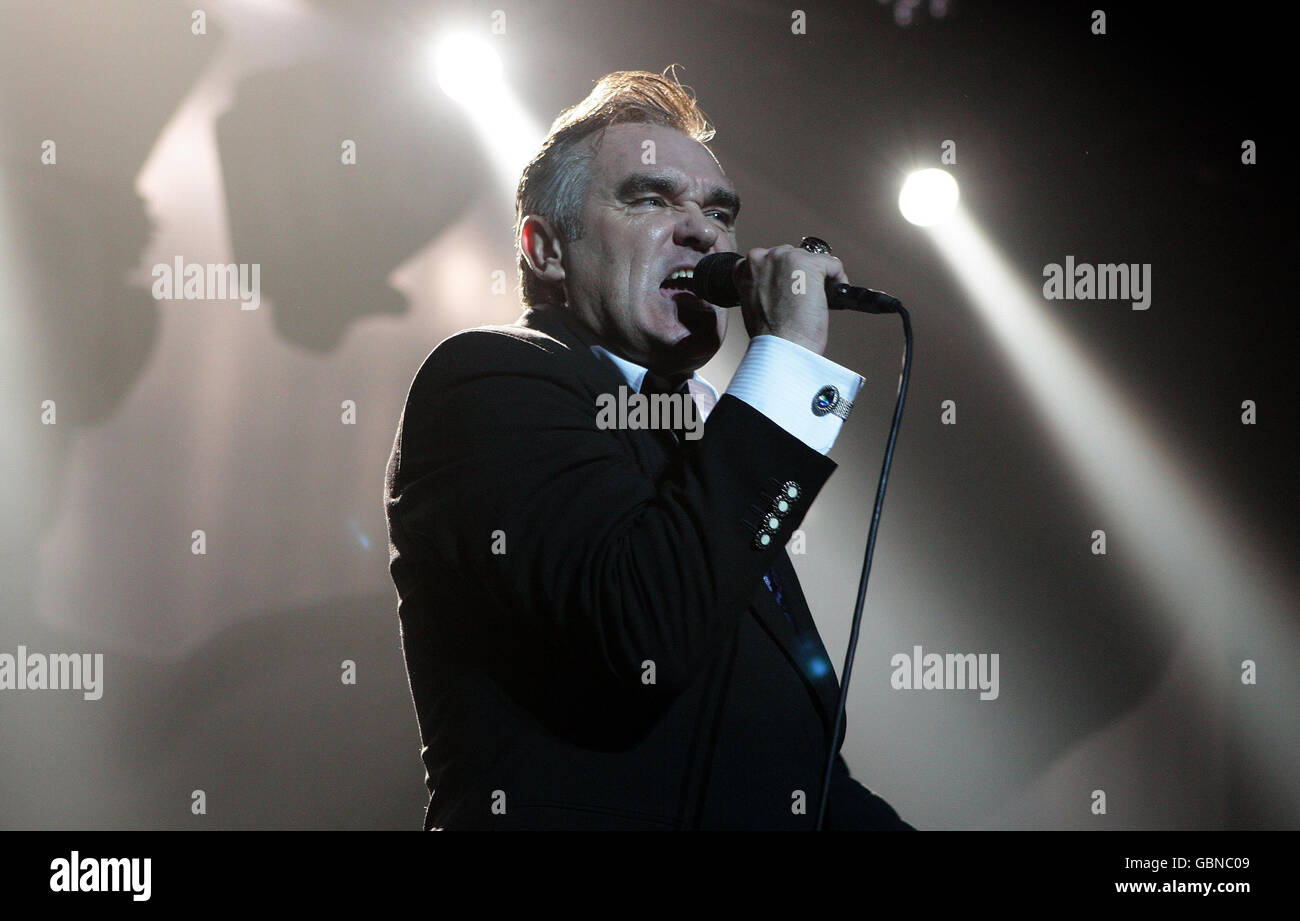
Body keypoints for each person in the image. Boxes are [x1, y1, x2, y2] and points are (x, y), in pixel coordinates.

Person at [384, 69, 913, 830]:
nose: (704, 232)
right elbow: (644, 631)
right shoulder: (490, 380)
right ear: (546, 249)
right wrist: (789, 363)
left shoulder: (703, 432)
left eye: (719, 211)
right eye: (649, 198)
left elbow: (801, 772)